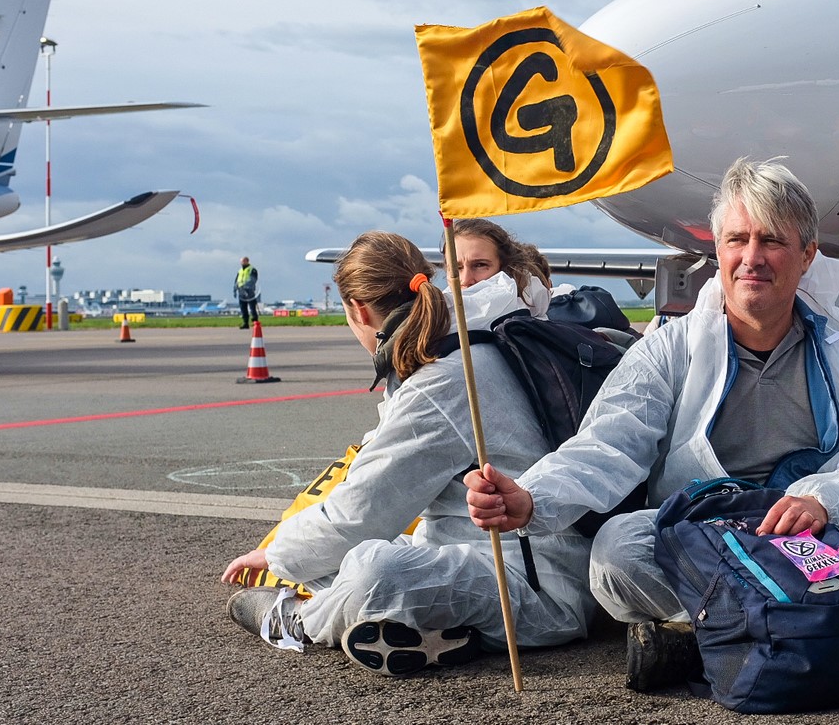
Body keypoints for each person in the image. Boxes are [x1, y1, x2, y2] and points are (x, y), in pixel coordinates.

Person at [465, 158, 839, 693]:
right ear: (717, 250)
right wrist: (531, 497)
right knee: (617, 551)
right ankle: (832, 621)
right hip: (708, 540)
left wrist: (821, 501)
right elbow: (607, 444)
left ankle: (705, 636)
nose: (752, 258)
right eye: (737, 239)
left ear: (807, 254)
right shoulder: (671, 349)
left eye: (772, 240)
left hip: (813, 539)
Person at [221, 231, 596, 675]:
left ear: (359, 310)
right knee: (352, 554)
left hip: (536, 591)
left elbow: (360, 513)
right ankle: (441, 637)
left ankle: (297, 621)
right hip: (512, 559)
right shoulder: (472, 342)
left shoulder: (443, 380)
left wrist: (275, 554)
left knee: (370, 569)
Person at [234, 257, 259, 329]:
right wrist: (235, 289)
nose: (241, 263)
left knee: (252, 307)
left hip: (249, 291)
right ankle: (245, 323)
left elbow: (253, 279)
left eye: (243, 261)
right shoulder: (240, 271)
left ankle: (255, 322)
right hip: (241, 291)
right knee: (243, 308)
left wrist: (246, 286)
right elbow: (236, 281)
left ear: (247, 261)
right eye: (241, 261)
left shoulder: (252, 269)